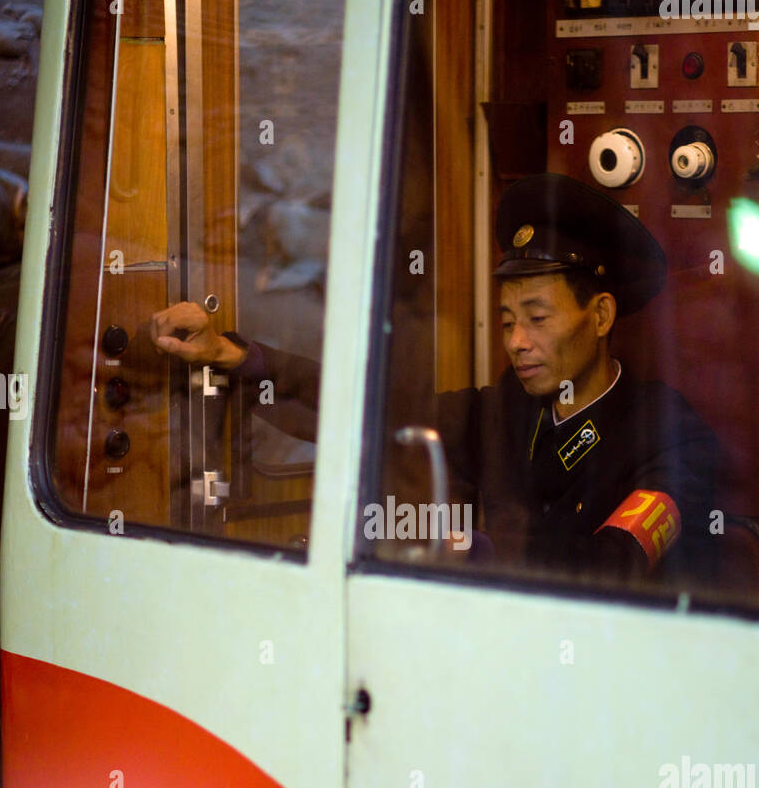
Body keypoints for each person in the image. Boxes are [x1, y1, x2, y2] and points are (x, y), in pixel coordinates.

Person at [148, 173, 718, 581]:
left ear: (599, 317)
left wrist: (478, 552)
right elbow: (377, 413)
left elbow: (615, 564)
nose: (517, 340)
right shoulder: (507, 411)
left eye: (537, 319)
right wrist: (236, 357)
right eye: (507, 321)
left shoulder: (667, 432)